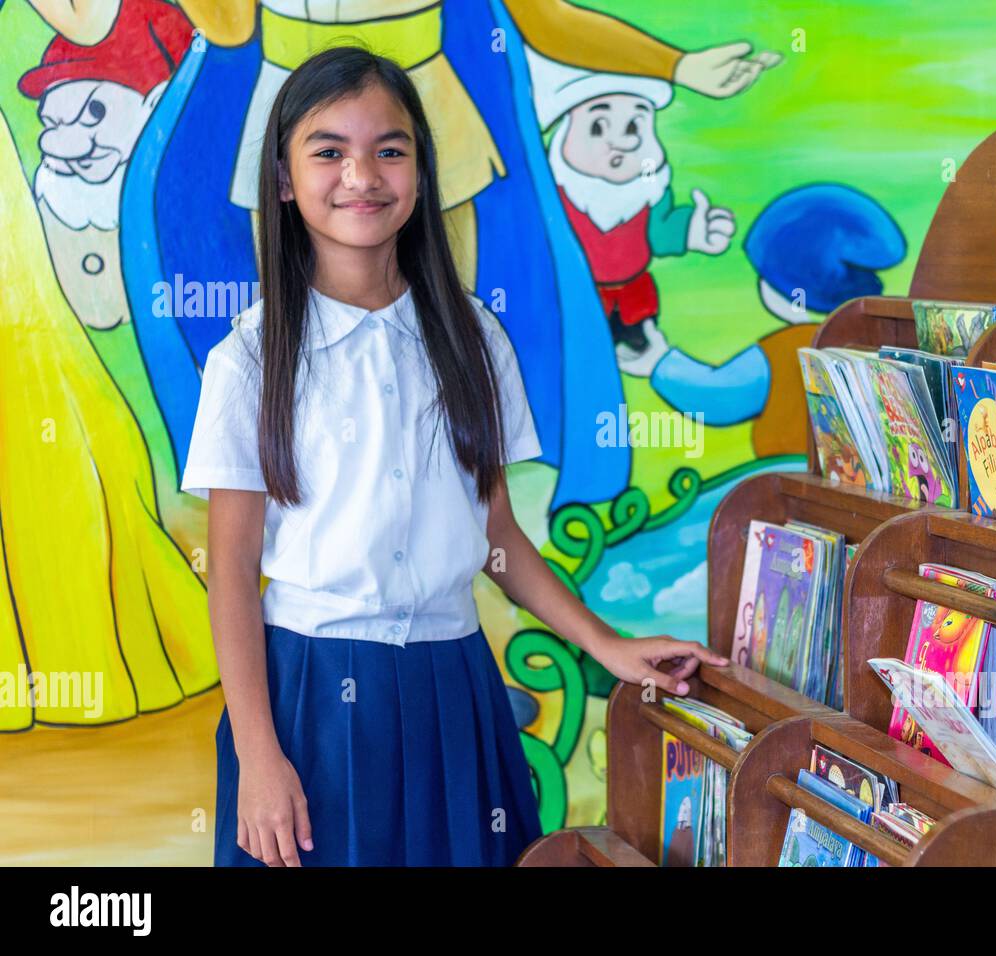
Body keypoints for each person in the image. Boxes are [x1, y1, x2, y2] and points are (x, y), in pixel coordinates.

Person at [180, 46, 726, 867]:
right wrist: (260, 755)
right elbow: (231, 571)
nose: (361, 174)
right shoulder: (249, 360)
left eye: (389, 150)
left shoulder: (475, 339)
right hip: (309, 694)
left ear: (423, 172)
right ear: (285, 180)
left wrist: (606, 645)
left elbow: (497, 535)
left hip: (455, 685)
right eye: (328, 151)